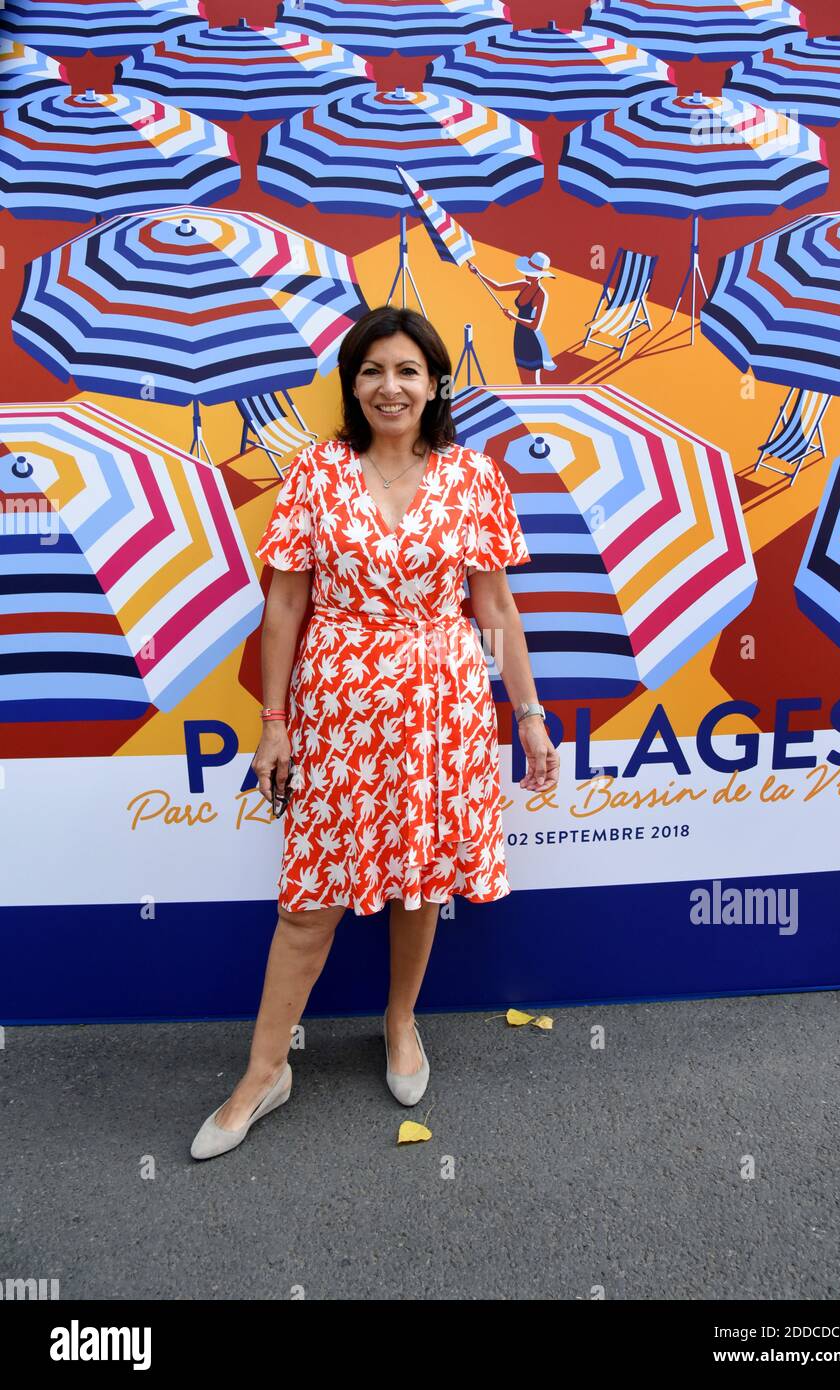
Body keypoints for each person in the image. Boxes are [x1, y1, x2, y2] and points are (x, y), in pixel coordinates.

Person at [190, 305, 559, 1160]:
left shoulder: (473, 477)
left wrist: (529, 716)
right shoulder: (316, 473)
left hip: (442, 704)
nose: (390, 387)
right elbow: (284, 604)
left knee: (421, 882)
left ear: (434, 384)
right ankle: (263, 1071)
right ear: (353, 385)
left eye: (407, 371)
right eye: (372, 372)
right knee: (309, 901)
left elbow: (494, 606)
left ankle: (400, 1023)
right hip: (338, 707)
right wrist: (273, 723)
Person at [469, 251, 557, 384]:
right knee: (523, 380)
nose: (526, 274)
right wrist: (478, 273)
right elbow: (498, 287)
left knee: (533, 383)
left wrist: (513, 317)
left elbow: (536, 325)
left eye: (531, 272)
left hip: (532, 341)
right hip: (520, 337)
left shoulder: (542, 295)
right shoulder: (524, 285)